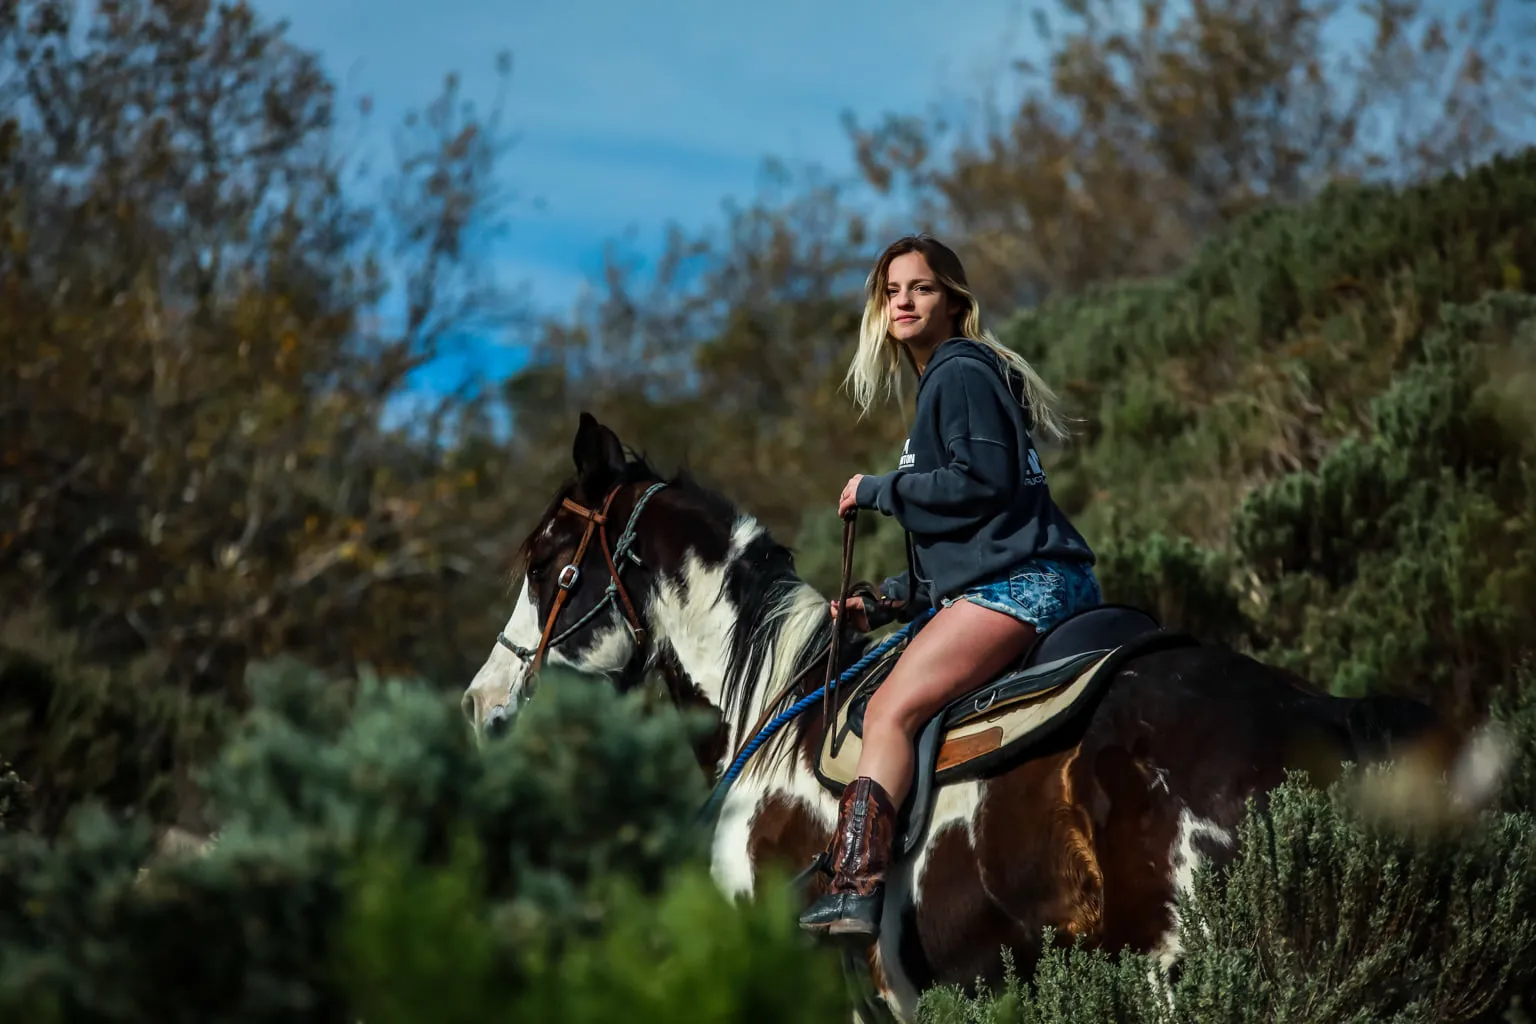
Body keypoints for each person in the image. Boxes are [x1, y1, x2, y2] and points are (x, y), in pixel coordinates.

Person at [798, 234, 1102, 941]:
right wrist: (887, 601)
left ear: (952, 300)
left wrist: (879, 490)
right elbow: (977, 531)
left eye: (921, 288)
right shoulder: (955, 378)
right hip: (1019, 572)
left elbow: (980, 484)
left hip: (1022, 585)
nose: (904, 301)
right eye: (892, 291)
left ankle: (854, 888)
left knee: (889, 712)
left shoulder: (959, 369)